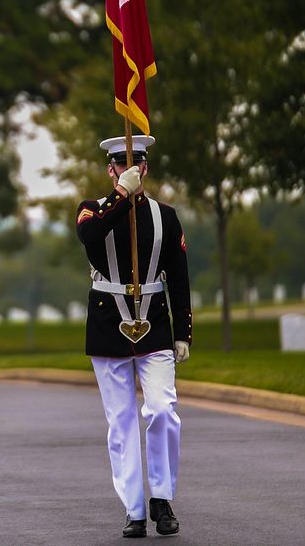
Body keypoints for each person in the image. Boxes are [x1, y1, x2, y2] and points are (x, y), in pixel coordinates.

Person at [75, 134, 192, 538]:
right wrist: (120, 195)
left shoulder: (166, 216)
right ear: (110, 170)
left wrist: (184, 331)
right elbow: (91, 239)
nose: (129, 171)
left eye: (136, 165)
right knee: (121, 422)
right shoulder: (91, 211)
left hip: (155, 325)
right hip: (109, 325)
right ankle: (135, 508)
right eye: (121, 166)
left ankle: (161, 496)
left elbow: (178, 277)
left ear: (145, 168)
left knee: (161, 409)